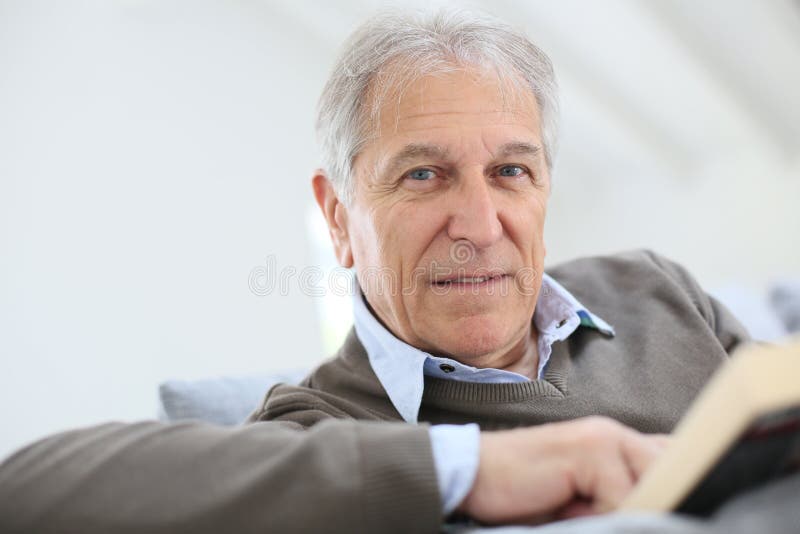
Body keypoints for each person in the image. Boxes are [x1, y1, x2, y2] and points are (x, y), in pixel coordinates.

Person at [0, 8, 752, 534]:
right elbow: (25, 493)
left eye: (510, 171)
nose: (481, 225)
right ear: (337, 218)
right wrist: (476, 468)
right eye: (423, 176)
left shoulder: (658, 289)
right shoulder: (320, 426)